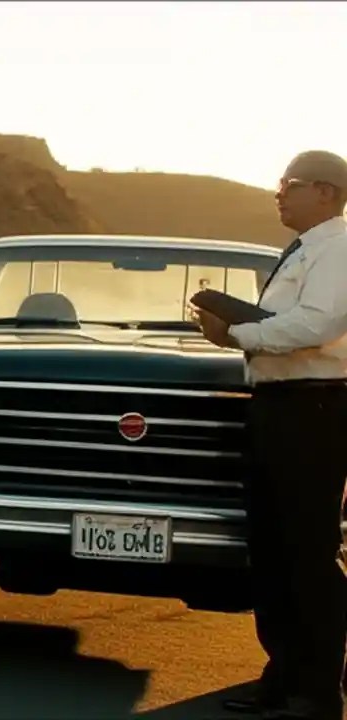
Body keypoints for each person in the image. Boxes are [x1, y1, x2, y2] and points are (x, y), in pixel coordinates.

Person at [196, 150, 347, 720]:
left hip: (312, 410)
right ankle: (283, 678)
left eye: (290, 183)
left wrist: (237, 334)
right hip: (279, 407)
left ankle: (318, 692)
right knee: (273, 551)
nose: (278, 193)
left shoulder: (339, 249)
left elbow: (318, 323)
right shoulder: (306, 249)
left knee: (307, 552)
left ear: (327, 192)